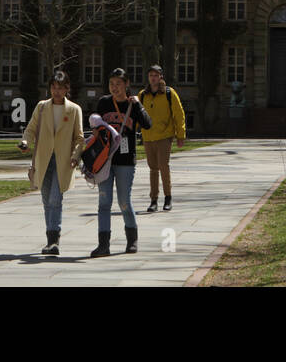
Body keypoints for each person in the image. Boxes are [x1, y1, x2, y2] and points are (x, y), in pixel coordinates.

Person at [19, 70, 84, 256]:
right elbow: (31, 129)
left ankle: (54, 240)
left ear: (66, 89)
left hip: (63, 161)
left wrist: (75, 156)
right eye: (53, 87)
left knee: (56, 199)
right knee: (47, 200)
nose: (56, 91)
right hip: (43, 159)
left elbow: (79, 138)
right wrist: (25, 142)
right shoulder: (41, 107)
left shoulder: (74, 109)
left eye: (60, 88)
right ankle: (50, 239)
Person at [91, 68, 152, 256]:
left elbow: (148, 124)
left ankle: (132, 241)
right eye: (112, 84)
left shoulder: (133, 105)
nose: (115, 88)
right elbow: (94, 125)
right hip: (105, 160)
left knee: (124, 200)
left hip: (125, 160)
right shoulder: (104, 102)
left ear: (127, 85)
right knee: (104, 202)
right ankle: (103, 244)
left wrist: (139, 105)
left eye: (118, 84)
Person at [139, 65, 187, 212]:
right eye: (150, 75)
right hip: (148, 136)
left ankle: (168, 197)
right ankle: (153, 199)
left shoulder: (169, 93)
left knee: (163, 166)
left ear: (161, 77)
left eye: (156, 75)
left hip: (165, 135)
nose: (153, 78)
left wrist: (181, 135)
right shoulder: (142, 95)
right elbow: (137, 115)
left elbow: (179, 114)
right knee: (153, 168)